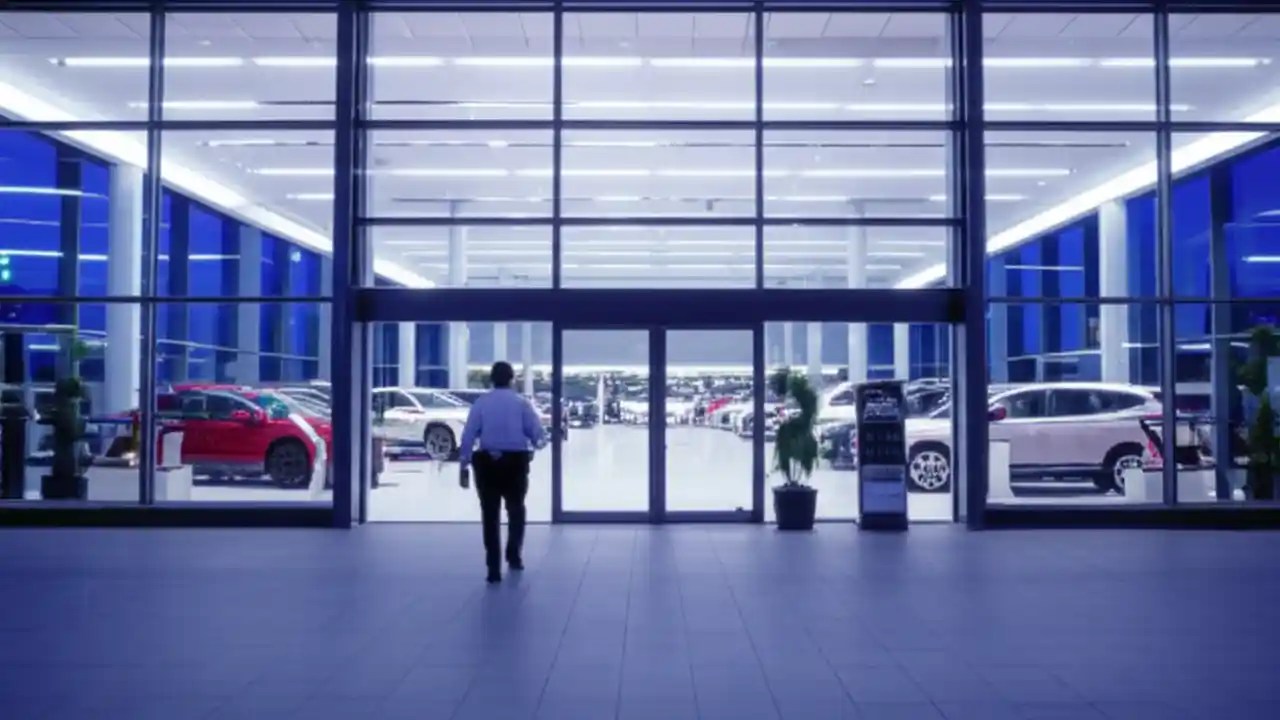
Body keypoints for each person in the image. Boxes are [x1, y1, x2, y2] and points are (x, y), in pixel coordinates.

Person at [459, 361, 547, 583]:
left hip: (487, 463)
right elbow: (538, 435)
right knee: (516, 509)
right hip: (515, 462)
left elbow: (468, 435)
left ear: (491, 379)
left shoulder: (481, 403)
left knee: (490, 514)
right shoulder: (522, 403)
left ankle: (493, 568)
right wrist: (534, 446)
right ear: (511, 379)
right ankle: (514, 555)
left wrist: (463, 464)